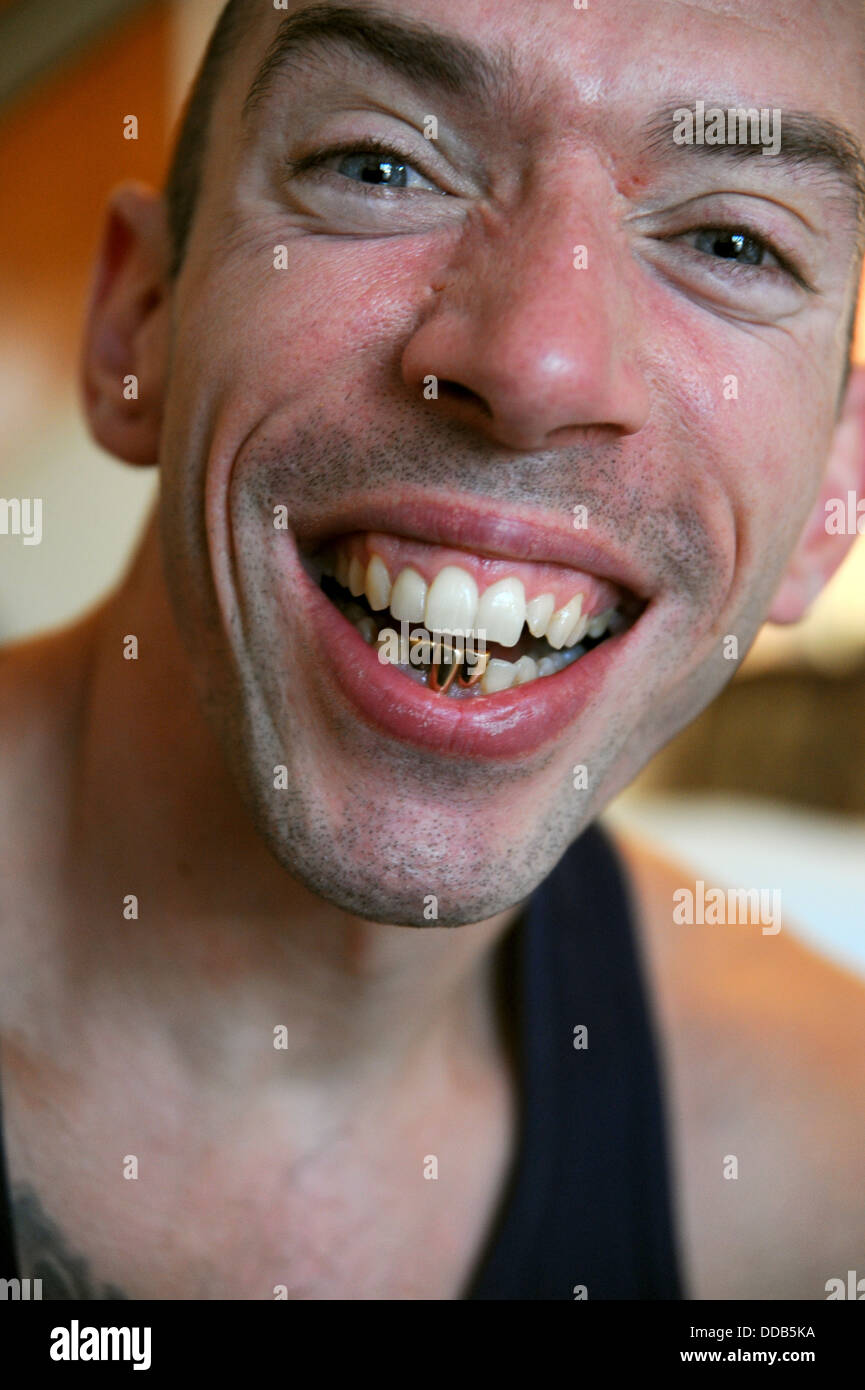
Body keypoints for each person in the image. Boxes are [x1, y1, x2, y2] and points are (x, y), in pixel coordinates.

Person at [1, 0, 864, 1301]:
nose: (535, 361)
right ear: (141, 317)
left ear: (830, 504)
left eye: (730, 240)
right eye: (379, 165)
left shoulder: (819, 1174)